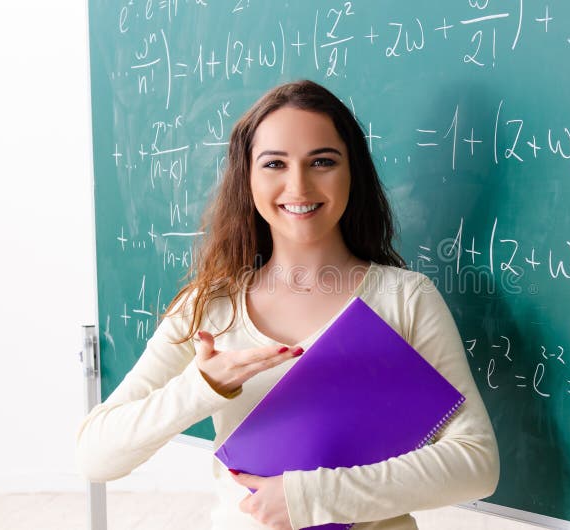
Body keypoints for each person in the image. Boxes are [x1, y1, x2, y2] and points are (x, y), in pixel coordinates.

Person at [76, 80, 500, 530]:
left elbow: (476, 463)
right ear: (248, 177)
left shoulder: (404, 298)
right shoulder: (209, 308)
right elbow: (95, 456)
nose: (298, 185)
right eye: (274, 163)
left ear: (351, 172)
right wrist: (201, 388)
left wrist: (309, 497)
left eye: (322, 161)